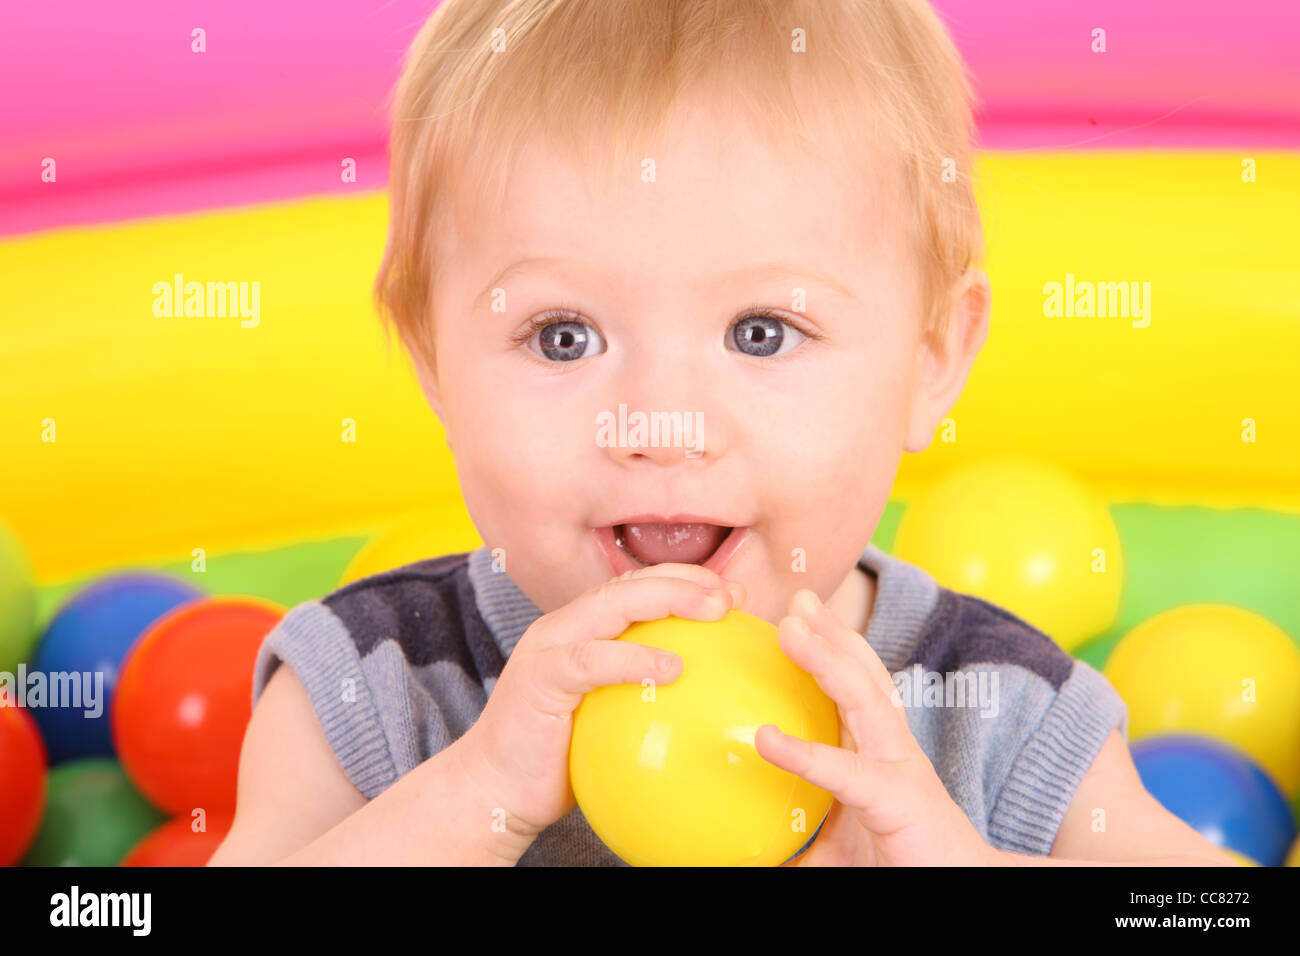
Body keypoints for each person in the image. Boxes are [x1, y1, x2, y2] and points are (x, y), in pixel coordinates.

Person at [209, 0, 1235, 866]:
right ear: (433, 359)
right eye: (562, 336)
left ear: (931, 355)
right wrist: (474, 797)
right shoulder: (369, 688)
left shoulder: (1001, 716)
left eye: (761, 331)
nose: (664, 424)